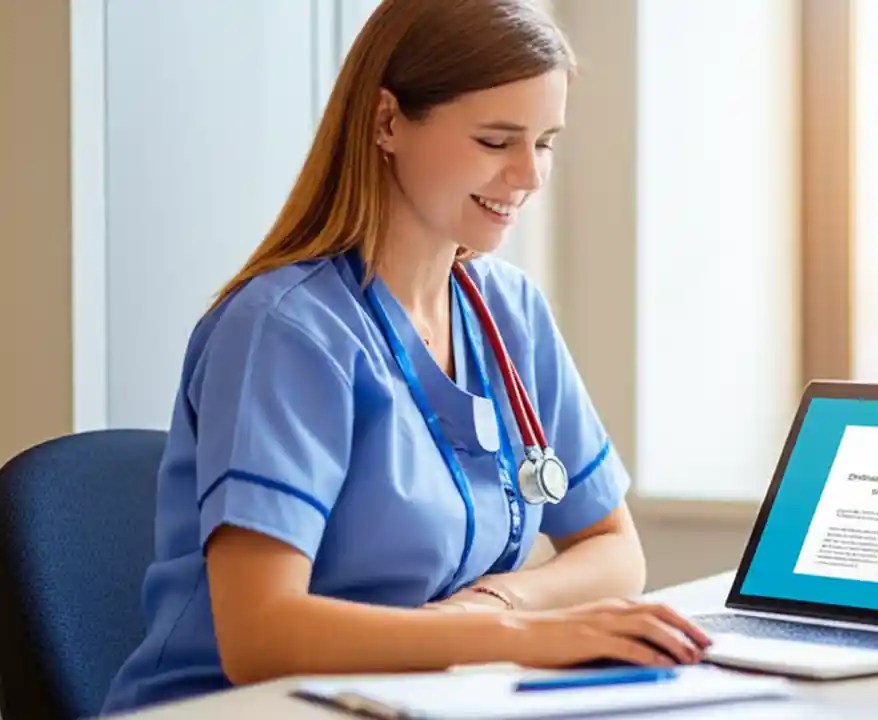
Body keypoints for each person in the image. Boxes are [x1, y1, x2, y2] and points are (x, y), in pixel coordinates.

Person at [101, 0, 710, 713]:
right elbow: (258, 635)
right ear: (388, 122)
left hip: (420, 696)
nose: (530, 176)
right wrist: (521, 635)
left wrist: (491, 605)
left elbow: (614, 551)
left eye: (543, 143)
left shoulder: (509, 313)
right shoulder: (288, 331)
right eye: (495, 141)